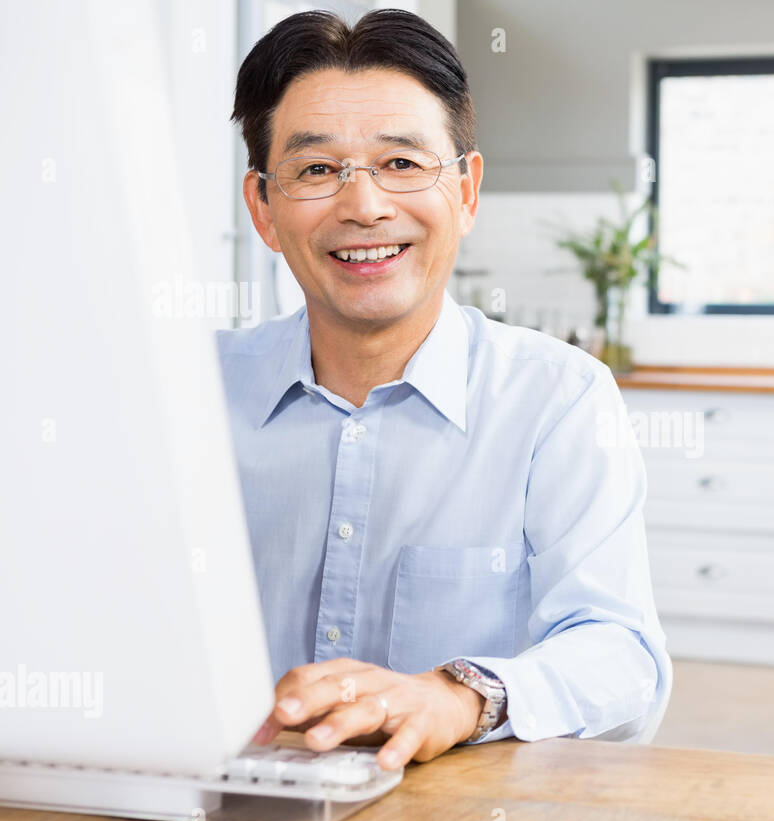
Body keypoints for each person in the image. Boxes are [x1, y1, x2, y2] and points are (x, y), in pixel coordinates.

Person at [218, 8, 671, 770]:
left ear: (465, 191)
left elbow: (623, 657)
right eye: (317, 169)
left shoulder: (559, 400)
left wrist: (461, 696)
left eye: (402, 164)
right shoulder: (193, 398)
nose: (364, 207)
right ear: (263, 207)